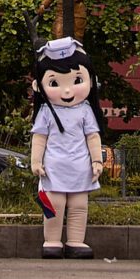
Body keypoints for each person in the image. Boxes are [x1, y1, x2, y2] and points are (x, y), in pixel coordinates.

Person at [31, 37, 104, 258]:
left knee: (79, 206)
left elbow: (92, 137)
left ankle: (75, 242)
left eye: (77, 80)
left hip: (81, 167)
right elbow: (39, 138)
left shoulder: (85, 110)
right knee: (55, 205)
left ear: (91, 80)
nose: (66, 90)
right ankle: (51, 241)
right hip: (53, 166)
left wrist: (97, 160)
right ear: (38, 85)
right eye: (54, 83)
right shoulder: (45, 111)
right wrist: (36, 162)